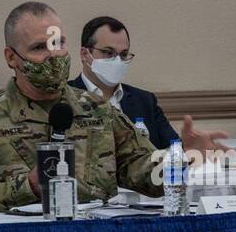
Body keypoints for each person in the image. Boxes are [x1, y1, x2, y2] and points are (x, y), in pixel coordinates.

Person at [0, 2, 227, 214]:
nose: (53, 56)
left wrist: (181, 158)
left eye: (58, 43)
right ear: (11, 57)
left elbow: (142, 173)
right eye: (39, 48)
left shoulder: (98, 110)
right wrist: (27, 187)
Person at [68, 16, 180, 149]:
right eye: (108, 52)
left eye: (123, 54)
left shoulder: (145, 101)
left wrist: (189, 148)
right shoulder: (64, 98)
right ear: (85, 54)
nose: (117, 61)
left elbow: (174, 151)